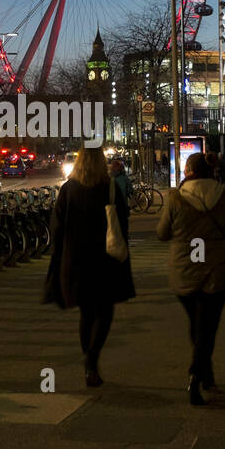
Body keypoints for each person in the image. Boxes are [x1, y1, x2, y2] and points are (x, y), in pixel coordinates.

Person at [44, 145, 135, 387]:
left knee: (86, 312)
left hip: (76, 260)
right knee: (105, 311)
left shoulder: (68, 190)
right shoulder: (110, 188)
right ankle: (92, 358)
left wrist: (59, 255)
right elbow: (123, 222)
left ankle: (89, 362)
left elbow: (56, 227)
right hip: (104, 260)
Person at [156, 151, 225, 405]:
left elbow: (162, 234)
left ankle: (203, 373)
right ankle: (199, 373)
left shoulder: (175, 199)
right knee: (208, 324)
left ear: (188, 172)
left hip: (184, 269)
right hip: (216, 269)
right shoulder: (223, 197)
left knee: (197, 323)